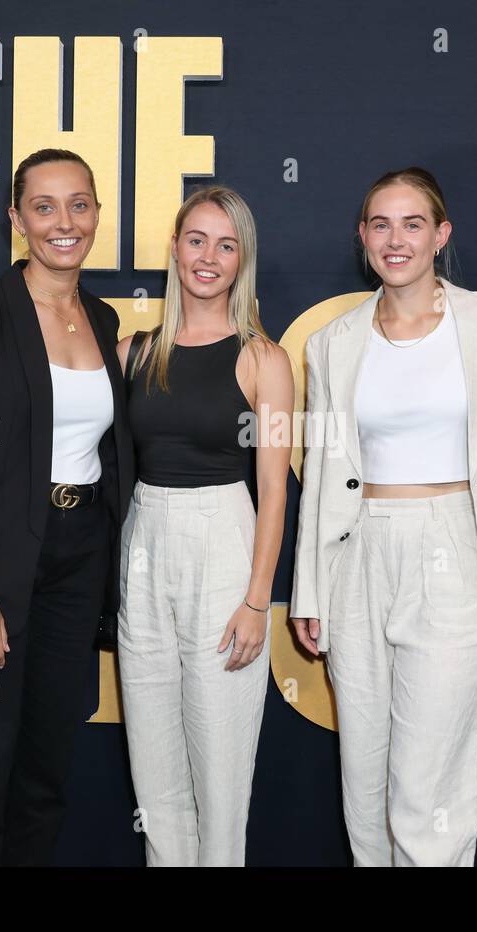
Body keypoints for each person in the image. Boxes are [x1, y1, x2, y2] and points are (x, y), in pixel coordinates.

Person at [290, 167, 477, 866]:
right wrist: (310, 587)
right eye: (381, 225)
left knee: (433, 787)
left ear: (441, 235)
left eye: (413, 223)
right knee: (365, 782)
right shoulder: (332, 343)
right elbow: (326, 472)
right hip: (359, 553)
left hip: (456, 552)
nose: (397, 240)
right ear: (363, 238)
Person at [0, 148, 134, 865]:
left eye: (79, 204)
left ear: (98, 213)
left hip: (76, 565)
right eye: (44, 206)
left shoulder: (103, 321)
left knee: (44, 778)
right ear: (15, 219)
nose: (63, 222)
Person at [114, 186, 294, 866]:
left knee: (220, 783)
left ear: (241, 257)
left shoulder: (263, 359)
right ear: (175, 248)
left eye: (226, 244)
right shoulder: (133, 352)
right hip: (144, 548)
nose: (209, 257)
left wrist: (256, 600)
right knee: (156, 787)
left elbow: (274, 489)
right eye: (197, 240)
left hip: (226, 546)